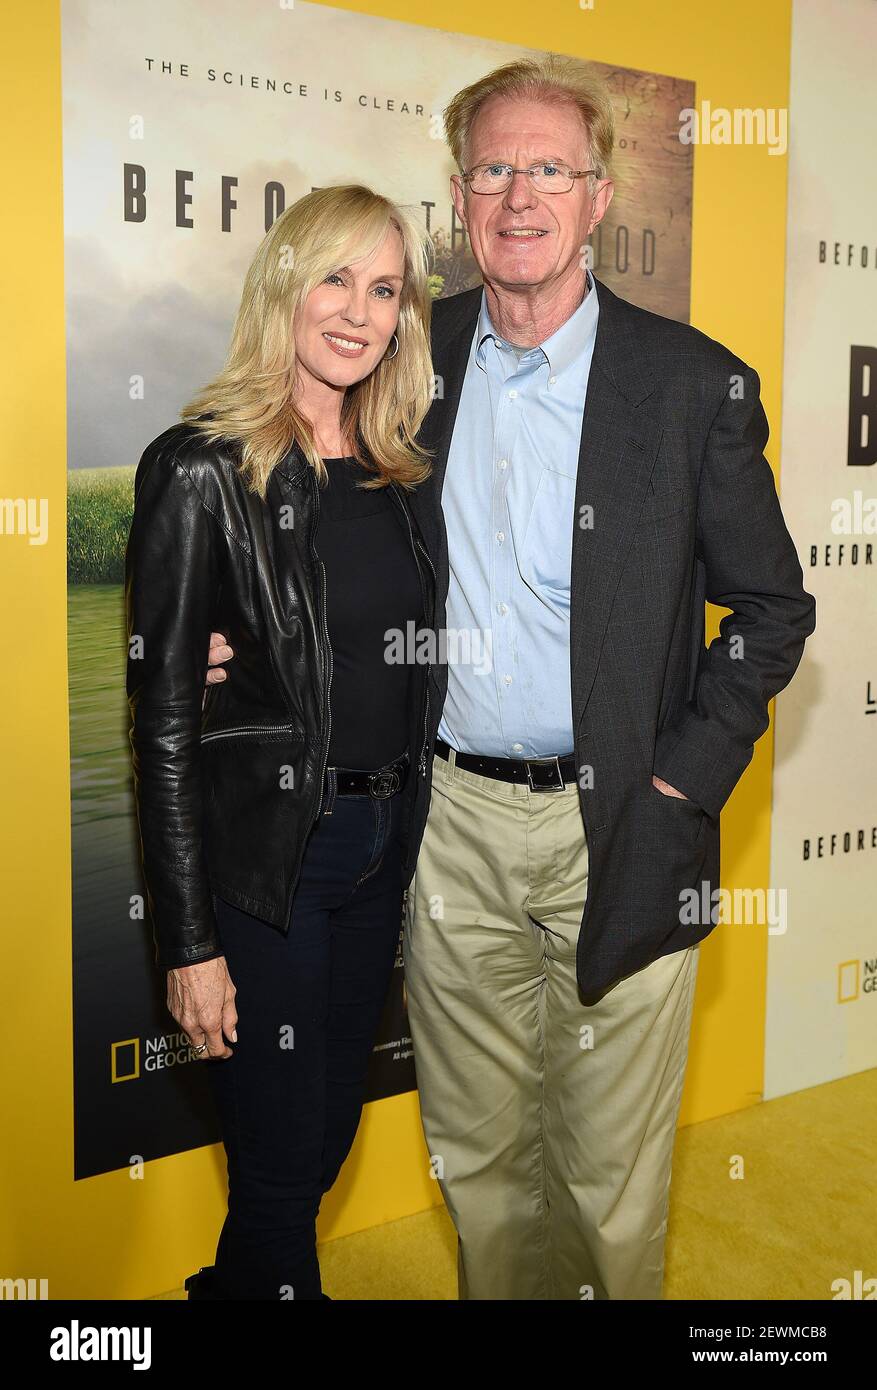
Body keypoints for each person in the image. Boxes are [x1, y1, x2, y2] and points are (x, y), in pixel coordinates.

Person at [206, 55, 816, 1300]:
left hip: (627, 824)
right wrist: (229, 630)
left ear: (598, 199)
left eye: (551, 167)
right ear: (458, 194)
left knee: (608, 1183)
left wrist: (677, 783)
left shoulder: (695, 383)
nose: (521, 193)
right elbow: (289, 501)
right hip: (447, 830)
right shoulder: (405, 359)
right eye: (495, 167)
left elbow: (770, 610)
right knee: (479, 1163)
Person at [124, 184, 436, 1300]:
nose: (358, 310)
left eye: (385, 287)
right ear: (284, 289)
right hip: (271, 867)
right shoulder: (200, 467)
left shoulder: (404, 474)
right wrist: (188, 942)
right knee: (274, 1171)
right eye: (335, 278)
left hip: (381, 849)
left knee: (321, 1138)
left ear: (406, 314)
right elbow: (161, 727)